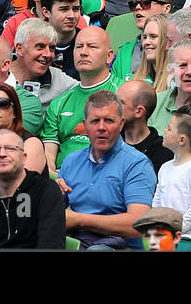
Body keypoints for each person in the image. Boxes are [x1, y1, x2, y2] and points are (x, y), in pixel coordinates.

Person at [56, 89, 157, 248]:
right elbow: (52, 213)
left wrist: (79, 220)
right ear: (85, 125)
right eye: (95, 121)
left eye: (109, 120)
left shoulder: (137, 164)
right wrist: (51, 194)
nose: (101, 127)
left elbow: (138, 224)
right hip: (75, 239)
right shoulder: (72, 161)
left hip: (118, 242)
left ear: (121, 124)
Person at [0, 128, 66, 249]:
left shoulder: (45, 191)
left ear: (24, 157)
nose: (2, 154)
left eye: (10, 148)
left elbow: (51, 245)